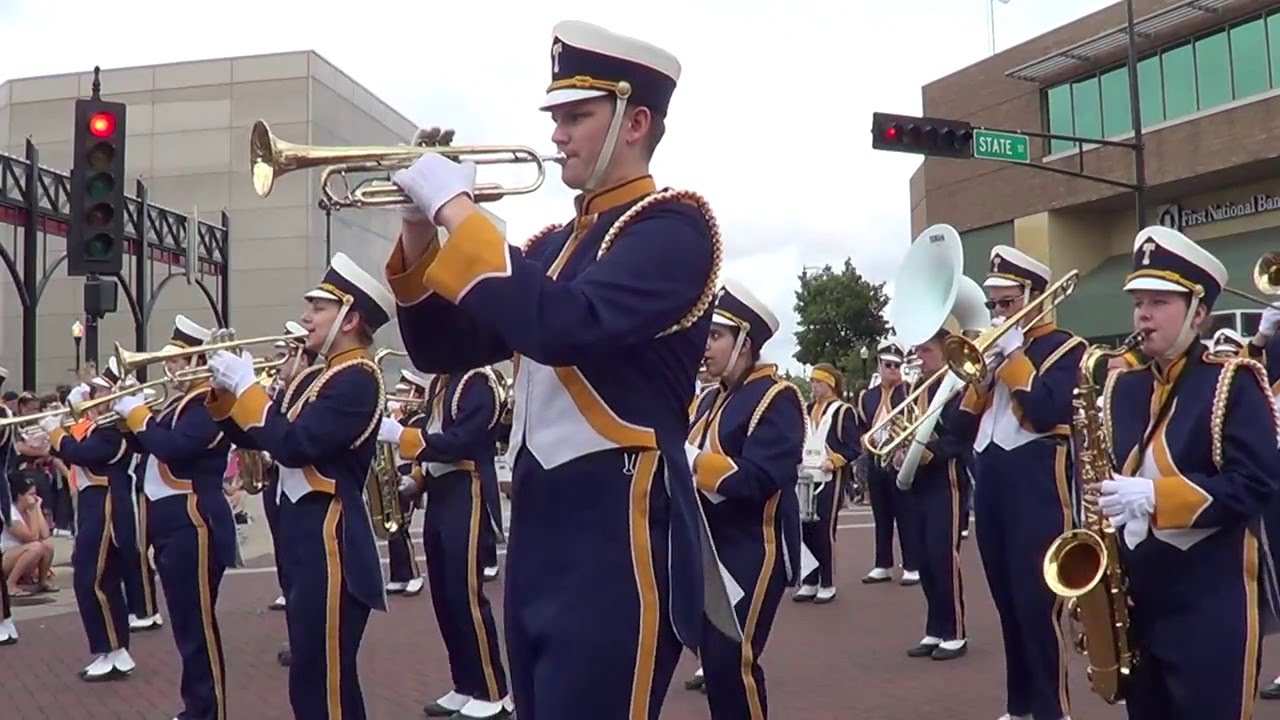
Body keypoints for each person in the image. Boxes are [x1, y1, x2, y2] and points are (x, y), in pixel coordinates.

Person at [384, 19, 726, 718]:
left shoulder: (672, 227)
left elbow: (565, 326)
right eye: (557, 118)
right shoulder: (552, 245)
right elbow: (440, 349)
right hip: (540, 535)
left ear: (635, 122)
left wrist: (458, 210)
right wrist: (419, 229)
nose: (557, 135)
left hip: (619, 535)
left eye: (576, 117)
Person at [1099, 225, 1280, 719]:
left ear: (1198, 312)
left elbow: (1257, 484)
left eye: (1159, 301)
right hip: (1139, 602)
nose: (1143, 314)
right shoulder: (1124, 387)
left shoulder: (1232, 381)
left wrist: (1157, 498)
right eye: (1139, 301)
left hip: (1210, 602)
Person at [206, 252, 393, 720]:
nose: (305, 318)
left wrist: (250, 389)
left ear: (350, 319)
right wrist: (228, 396)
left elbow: (293, 445)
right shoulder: (324, 375)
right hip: (306, 540)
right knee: (313, 675)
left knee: (322, 681)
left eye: (318, 309)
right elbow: (262, 435)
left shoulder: (358, 378)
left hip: (331, 542)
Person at [957, 245, 1084, 720]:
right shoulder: (994, 353)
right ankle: (1020, 706)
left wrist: (1012, 359)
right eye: (995, 305)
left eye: (1008, 303)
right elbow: (955, 434)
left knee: (1037, 606)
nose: (998, 314)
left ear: (1037, 298)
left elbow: (1048, 411)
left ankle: (1054, 710)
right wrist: (979, 381)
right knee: (1007, 604)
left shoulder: (1068, 347)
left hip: (1037, 482)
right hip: (991, 480)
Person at [683, 280, 804, 717]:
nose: (706, 346)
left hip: (754, 549)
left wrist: (694, 462)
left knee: (734, 663)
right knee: (715, 666)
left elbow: (762, 479)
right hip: (710, 548)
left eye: (716, 336)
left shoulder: (777, 396)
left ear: (745, 343)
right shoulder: (710, 398)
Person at [113, 314, 235, 720]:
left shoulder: (209, 404)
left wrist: (139, 416)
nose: (170, 370)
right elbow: (146, 445)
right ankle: (196, 707)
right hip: (172, 523)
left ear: (198, 362)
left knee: (197, 627)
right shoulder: (177, 404)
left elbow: (174, 447)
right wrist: (126, 417)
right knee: (185, 625)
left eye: (179, 363)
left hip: (195, 522)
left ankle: (209, 710)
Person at [381, 364, 512, 719]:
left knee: (465, 595)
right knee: (442, 594)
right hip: (440, 490)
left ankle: (493, 692)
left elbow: (462, 441)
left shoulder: (478, 380)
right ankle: (465, 683)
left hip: (466, 488)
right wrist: (416, 481)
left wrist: (399, 435)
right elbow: (434, 433)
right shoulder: (443, 379)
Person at [42, 359, 137, 680]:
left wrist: (56, 432)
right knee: (103, 579)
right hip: (94, 502)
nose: (92, 398)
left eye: (99, 392)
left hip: (106, 504)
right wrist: (58, 436)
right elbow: (75, 451)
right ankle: (115, 649)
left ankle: (111, 648)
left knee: (91, 577)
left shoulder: (114, 431)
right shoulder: (101, 426)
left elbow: (83, 454)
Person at [896, 329, 975, 662]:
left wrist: (934, 452)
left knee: (943, 556)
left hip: (947, 479)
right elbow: (908, 427)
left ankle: (955, 631)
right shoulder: (918, 388)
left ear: (945, 351)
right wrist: (902, 450)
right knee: (924, 558)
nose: (921, 357)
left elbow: (963, 438)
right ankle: (934, 627)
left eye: (926, 351)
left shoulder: (959, 388)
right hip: (918, 480)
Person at [854, 341, 919, 586]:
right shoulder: (867, 397)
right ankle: (882, 564)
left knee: (906, 514)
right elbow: (863, 424)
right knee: (881, 515)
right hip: (875, 458)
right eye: (888, 365)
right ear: (879, 366)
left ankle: (912, 565)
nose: (893, 370)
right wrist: (862, 438)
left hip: (899, 459)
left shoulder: (909, 391)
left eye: (897, 365)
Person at [794, 363, 857, 604]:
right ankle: (809, 579)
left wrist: (836, 460)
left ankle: (827, 582)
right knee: (804, 529)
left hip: (829, 476)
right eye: (812, 382)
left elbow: (853, 447)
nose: (813, 386)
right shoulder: (807, 409)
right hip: (805, 475)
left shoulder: (843, 411)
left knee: (823, 530)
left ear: (829, 384)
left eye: (817, 382)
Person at [385, 370, 427, 598]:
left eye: (404, 393)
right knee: (390, 525)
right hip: (393, 473)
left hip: (409, 473)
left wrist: (398, 421)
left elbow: (412, 443)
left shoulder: (418, 419)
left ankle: (413, 574)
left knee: (401, 526)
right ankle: (397, 575)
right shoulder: (400, 419)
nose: (399, 398)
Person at [1, 475, 55, 596]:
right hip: (5, 557)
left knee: (48, 545)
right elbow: (32, 537)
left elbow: (45, 534)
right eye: (31, 494)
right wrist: (34, 509)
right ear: (20, 496)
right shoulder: (9, 513)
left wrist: (37, 509)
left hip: (23, 554)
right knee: (36, 546)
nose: (35, 498)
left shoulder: (29, 509)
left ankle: (42, 581)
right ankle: (10, 584)